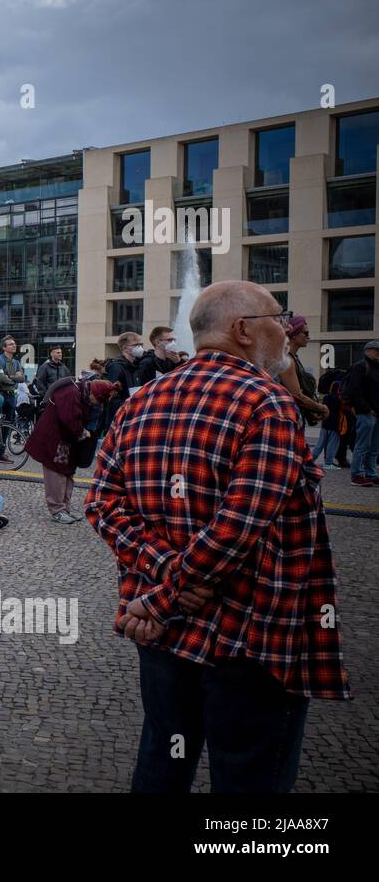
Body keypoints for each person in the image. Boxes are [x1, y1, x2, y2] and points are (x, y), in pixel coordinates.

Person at [86, 280, 350, 793]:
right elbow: (240, 526)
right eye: (280, 317)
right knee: (251, 779)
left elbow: (102, 505)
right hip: (249, 635)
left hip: (160, 633)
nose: (288, 330)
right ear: (243, 329)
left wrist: (160, 590)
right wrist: (170, 593)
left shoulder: (141, 402)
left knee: (162, 764)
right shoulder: (267, 403)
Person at [26, 376, 118, 523]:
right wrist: (83, 432)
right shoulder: (71, 393)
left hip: (65, 440)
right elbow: (69, 419)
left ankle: (64, 509)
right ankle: (57, 510)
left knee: (67, 472)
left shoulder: (81, 393)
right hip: (54, 439)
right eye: (99, 401)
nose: (98, 404)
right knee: (56, 473)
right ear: (93, 394)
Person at [276, 316, 329, 425]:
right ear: (294, 335)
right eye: (306, 333)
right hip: (285, 418)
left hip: (292, 416)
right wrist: (321, 408)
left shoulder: (293, 358)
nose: (308, 337)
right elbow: (297, 396)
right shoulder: (286, 360)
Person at [343, 340, 379, 486]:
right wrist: (366, 409)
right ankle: (356, 475)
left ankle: (371, 474)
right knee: (362, 445)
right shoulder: (360, 367)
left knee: (375, 447)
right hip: (366, 413)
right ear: (367, 351)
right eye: (376, 350)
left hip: (376, 413)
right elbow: (353, 391)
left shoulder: (376, 368)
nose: (378, 353)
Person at [0, 335, 27, 465]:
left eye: (14, 344)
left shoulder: (16, 362)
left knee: (7, 425)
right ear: (4, 347)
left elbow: (22, 378)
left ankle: (0, 453)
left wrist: (9, 377)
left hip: (11, 395)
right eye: (10, 344)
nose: (14, 345)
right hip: (0, 394)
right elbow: (0, 378)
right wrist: (13, 377)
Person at [103, 331, 145, 434]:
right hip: (119, 420)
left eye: (140, 344)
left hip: (132, 416)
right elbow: (111, 397)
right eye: (136, 345)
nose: (139, 347)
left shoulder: (135, 366)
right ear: (125, 348)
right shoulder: (117, 367)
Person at [311, 374, 346, 469]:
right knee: (332, 444)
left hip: (325, 423)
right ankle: (328, 462)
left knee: (320, 443)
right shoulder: (339, 399)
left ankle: (310, 460)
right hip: (335, 424)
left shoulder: (327, 397)